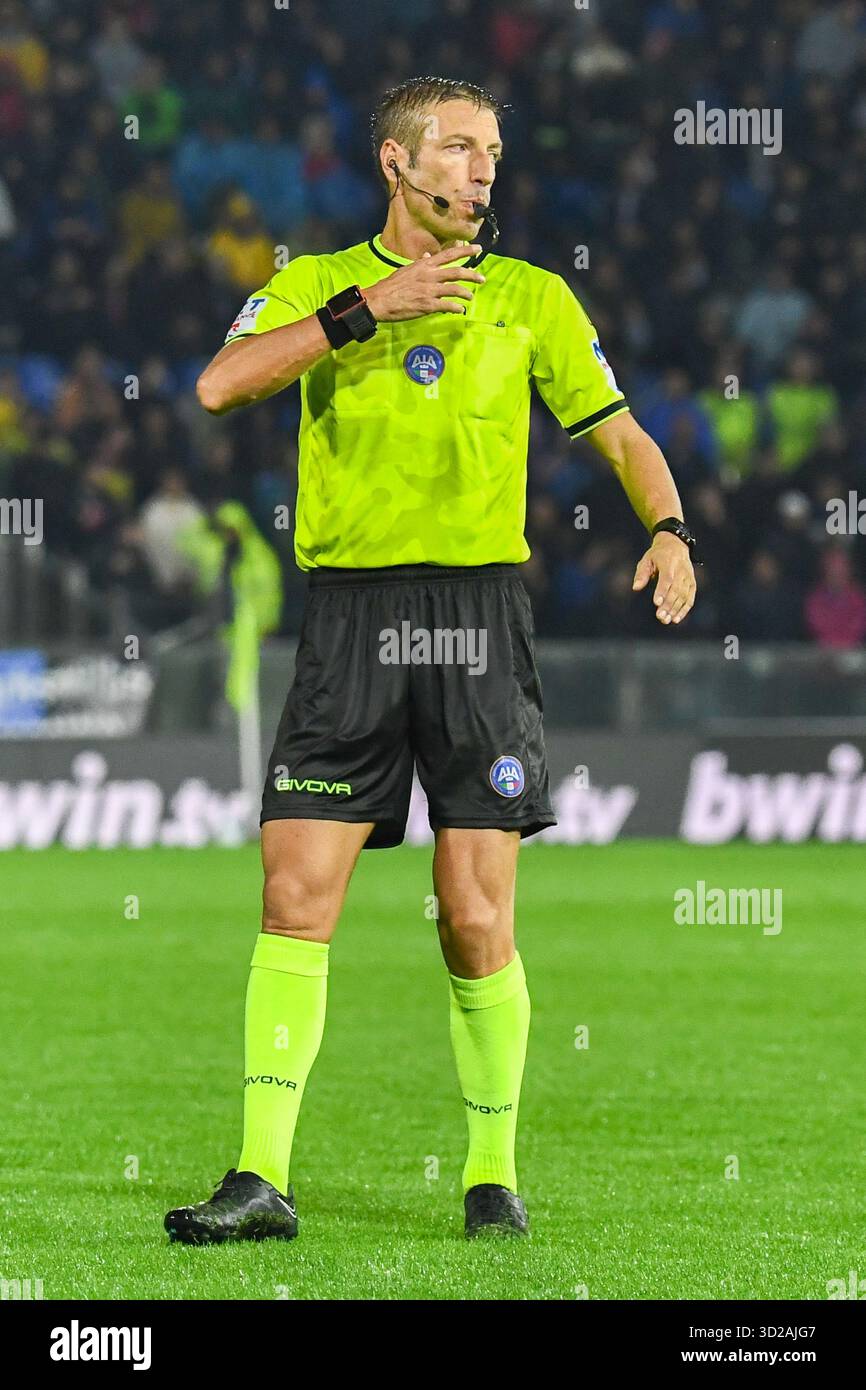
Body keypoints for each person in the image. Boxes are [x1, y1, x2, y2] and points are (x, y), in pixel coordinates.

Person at [164, 75, 696, 1247]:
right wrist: (371, 309)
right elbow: (218, 384)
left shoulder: (531, 298)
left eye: (492, 153)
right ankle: (260, 1178)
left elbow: (618, 429)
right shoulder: (316, 285)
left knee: (470, 916)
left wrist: (666, 529)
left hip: (475, 624)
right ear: (398, 165)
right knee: (295, 898)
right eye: (458, 149)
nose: (482, 170)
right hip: (347, 619)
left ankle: (490, 1176)